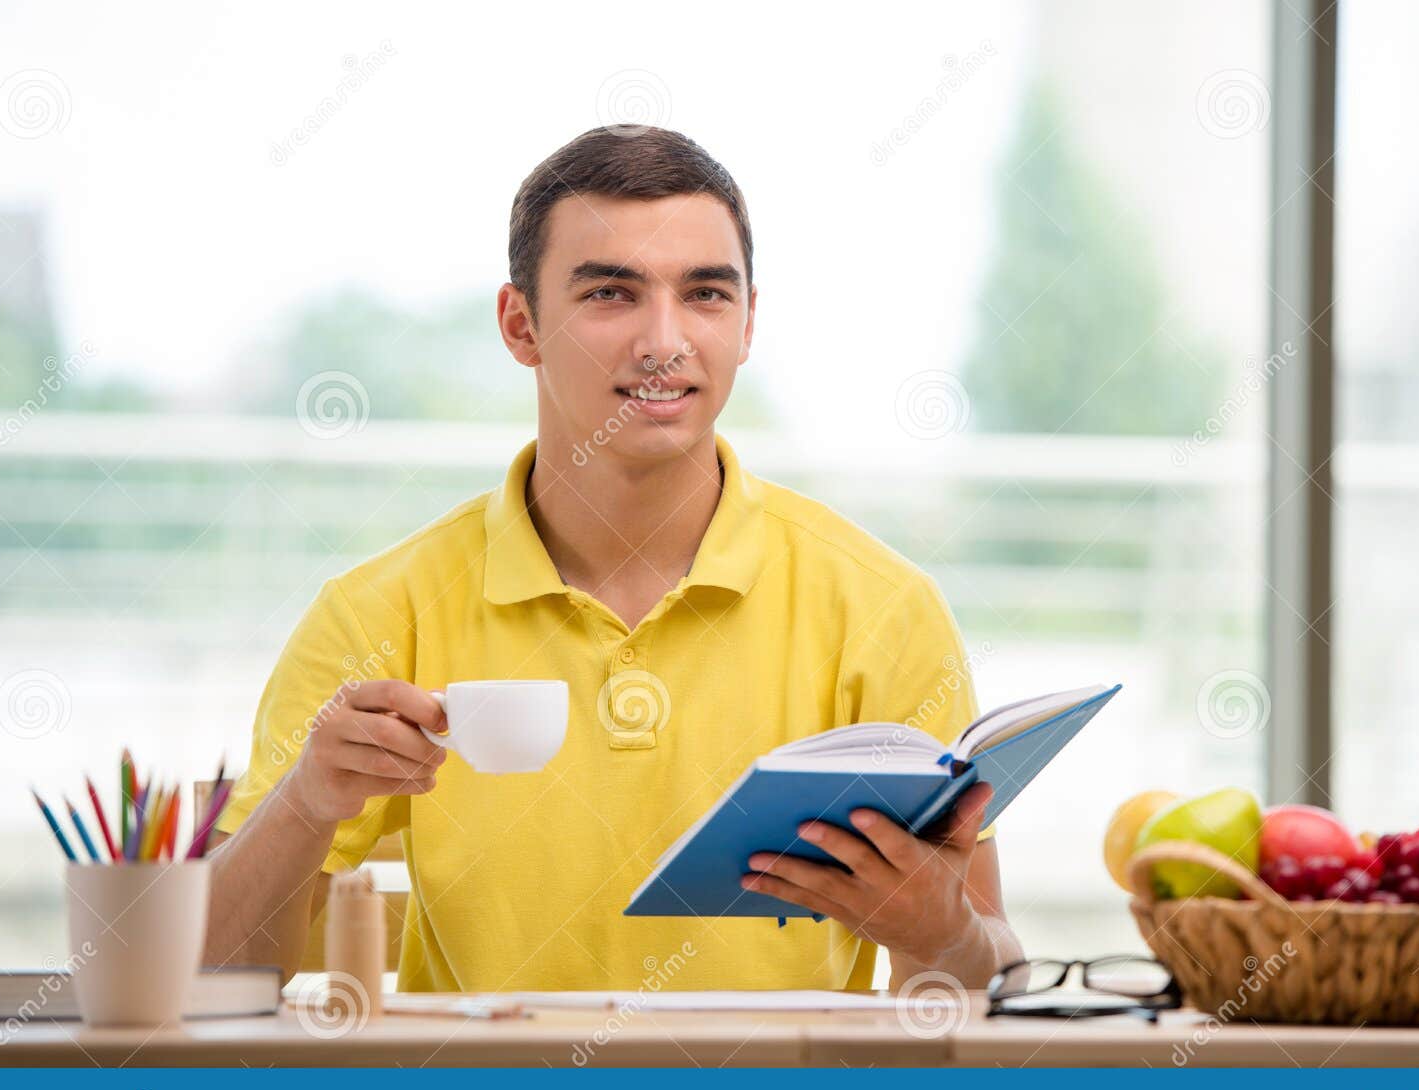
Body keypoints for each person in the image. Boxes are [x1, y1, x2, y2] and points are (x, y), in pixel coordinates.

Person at [203, 125, 1023, 992]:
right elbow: (204, 980)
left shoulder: (882, 607)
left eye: (705, 294)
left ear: (747, 323)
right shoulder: (378, 612)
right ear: (521, 325)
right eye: (610, 294)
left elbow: (986, 980)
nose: (664, 341)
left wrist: (944, 935)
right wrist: (306, 803)